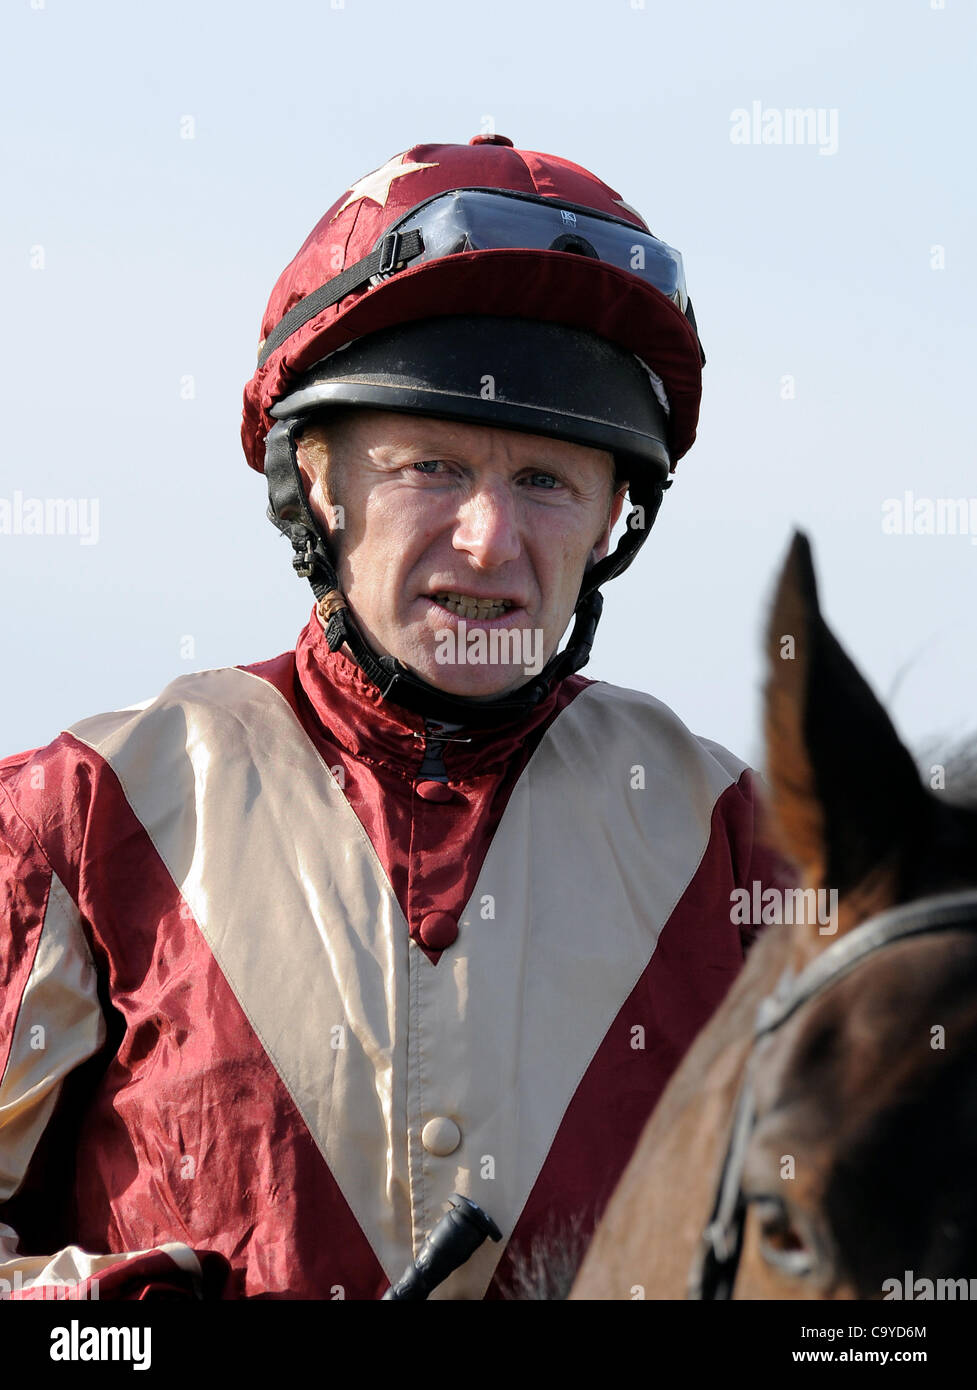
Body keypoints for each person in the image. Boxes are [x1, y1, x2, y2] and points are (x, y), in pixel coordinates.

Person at [0, 134, 786, 1301]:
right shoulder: (79, 810)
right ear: (314, 478)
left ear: (616, 515)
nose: (489, 544)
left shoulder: (737, 835)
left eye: (546, 482)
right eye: (429, 465)